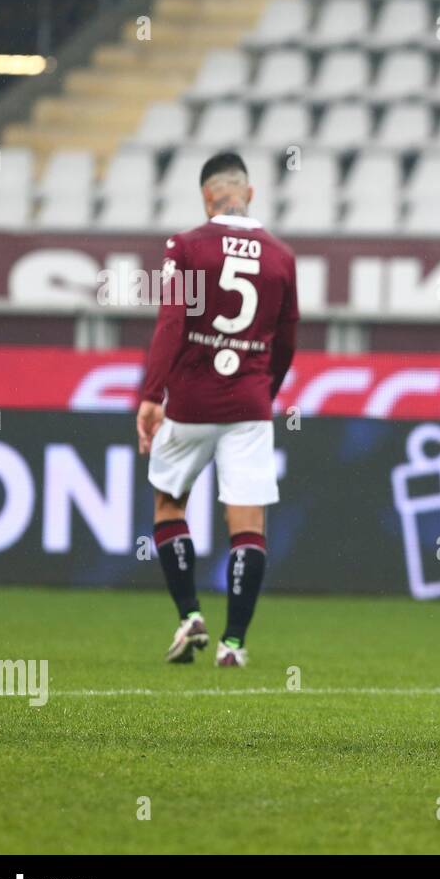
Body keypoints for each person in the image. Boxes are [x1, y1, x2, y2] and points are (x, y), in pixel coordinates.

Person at [136, 152, 298, 667]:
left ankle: (189, 618)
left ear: (207, 197)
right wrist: (263, 392)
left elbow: (171, 323)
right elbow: (288, 341)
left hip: (189, 402)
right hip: (248, 404)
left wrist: (151, 393)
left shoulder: (186, 245)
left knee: (169, 504)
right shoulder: (280, 256)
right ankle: (234, 645)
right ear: (249, 193)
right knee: (247, 523)